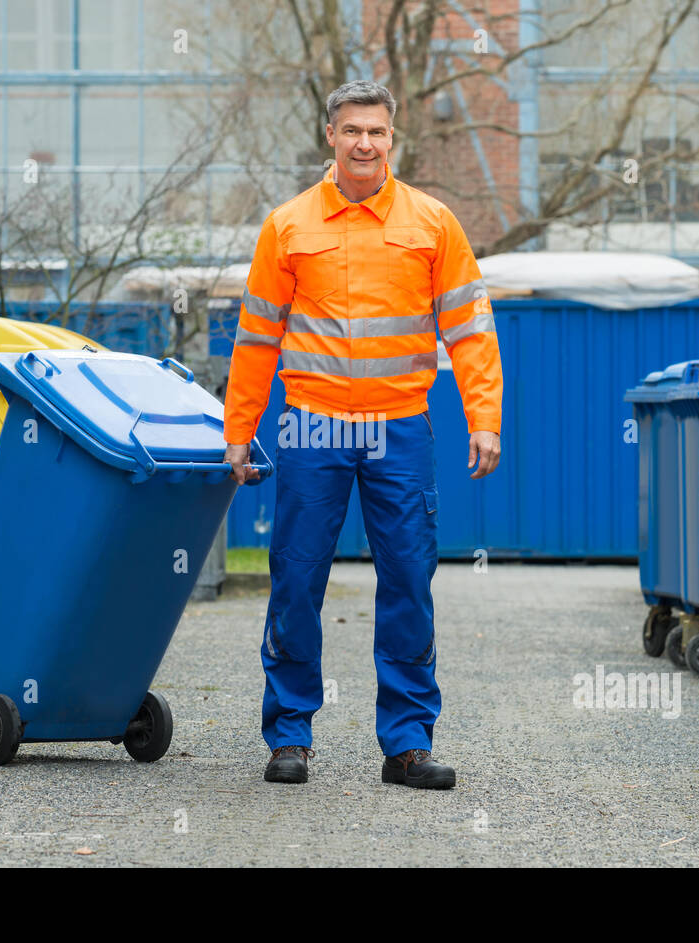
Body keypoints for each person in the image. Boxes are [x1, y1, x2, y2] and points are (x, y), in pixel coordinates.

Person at [222, 79, 503, 789]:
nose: (365, 143)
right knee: (295, 579)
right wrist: (238, 431)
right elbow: (256, 339)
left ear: (392, 137)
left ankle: (407, 743)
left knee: (408, 580)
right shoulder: (288, 226)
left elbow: (469, 329)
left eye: (377, 131)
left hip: (401, 427)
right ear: (331, 135)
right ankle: (290, 735)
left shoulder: (432, 222)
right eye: (353, 130)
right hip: (312, 426)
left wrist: (485, 418)